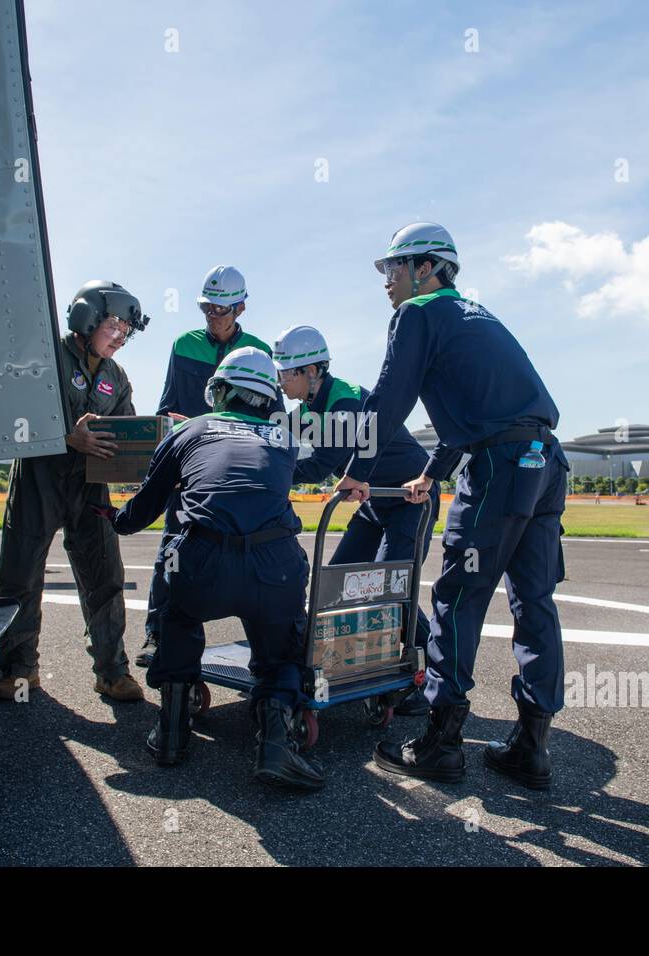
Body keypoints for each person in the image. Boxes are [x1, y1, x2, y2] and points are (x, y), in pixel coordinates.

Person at [335, 223, 570, 790]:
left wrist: (355, 475)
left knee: (456, 596)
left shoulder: (417, 315)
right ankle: (531, 745)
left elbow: (390, 397)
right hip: (544, 460)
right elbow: (479, 414)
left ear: (425, 268)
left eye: (392, 268)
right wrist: (430, 474)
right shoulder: (475, 315)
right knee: (533, 600)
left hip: (500, 468)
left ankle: (441, 742)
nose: (386, 281)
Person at [100, 347, 323, 791]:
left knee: (178, 618)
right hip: (274, 568)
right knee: (281, 647)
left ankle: (172, 730)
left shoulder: (192, 430)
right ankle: (277, 743)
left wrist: (114, 517)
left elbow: (145, 507)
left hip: (203, 565)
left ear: (219, 390)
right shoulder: (285, 438)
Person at [0, 281, 150, 703]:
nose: (120, 337)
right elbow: (10, 418)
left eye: (126, 331)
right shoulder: (43, 357)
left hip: (91, 487)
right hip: (38, 479)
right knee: (20, 575)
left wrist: (150, 442)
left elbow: (126, 432)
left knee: (105, 578)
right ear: (87, 317)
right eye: (115, 324)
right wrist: (66, 438)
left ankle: (112, 671)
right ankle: (18, 672)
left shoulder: (116, 377)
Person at [273, 324, 440, 716]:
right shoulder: (313, 406)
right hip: (375, 501)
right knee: (340, 577)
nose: (281, 382)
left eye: (286, 373)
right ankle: (353, 659)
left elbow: (321, 467)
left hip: (408, 497)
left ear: (311, 371)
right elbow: (278, 435)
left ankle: (437, 677)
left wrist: (271, 476)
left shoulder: (344, 401)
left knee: (391, 587)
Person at [138, 265, 276, 668]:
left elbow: (272, 413)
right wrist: (173, 425)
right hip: (192, 462)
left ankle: (269, 638)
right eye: (207, 307)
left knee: (256, 545)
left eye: (222, 309)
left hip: (239, 463)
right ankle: (157, 634)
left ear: (241, 307)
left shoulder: (257, 351)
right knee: (172, 545)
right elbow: (167, 405)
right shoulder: (184, 344)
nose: (213, 316)